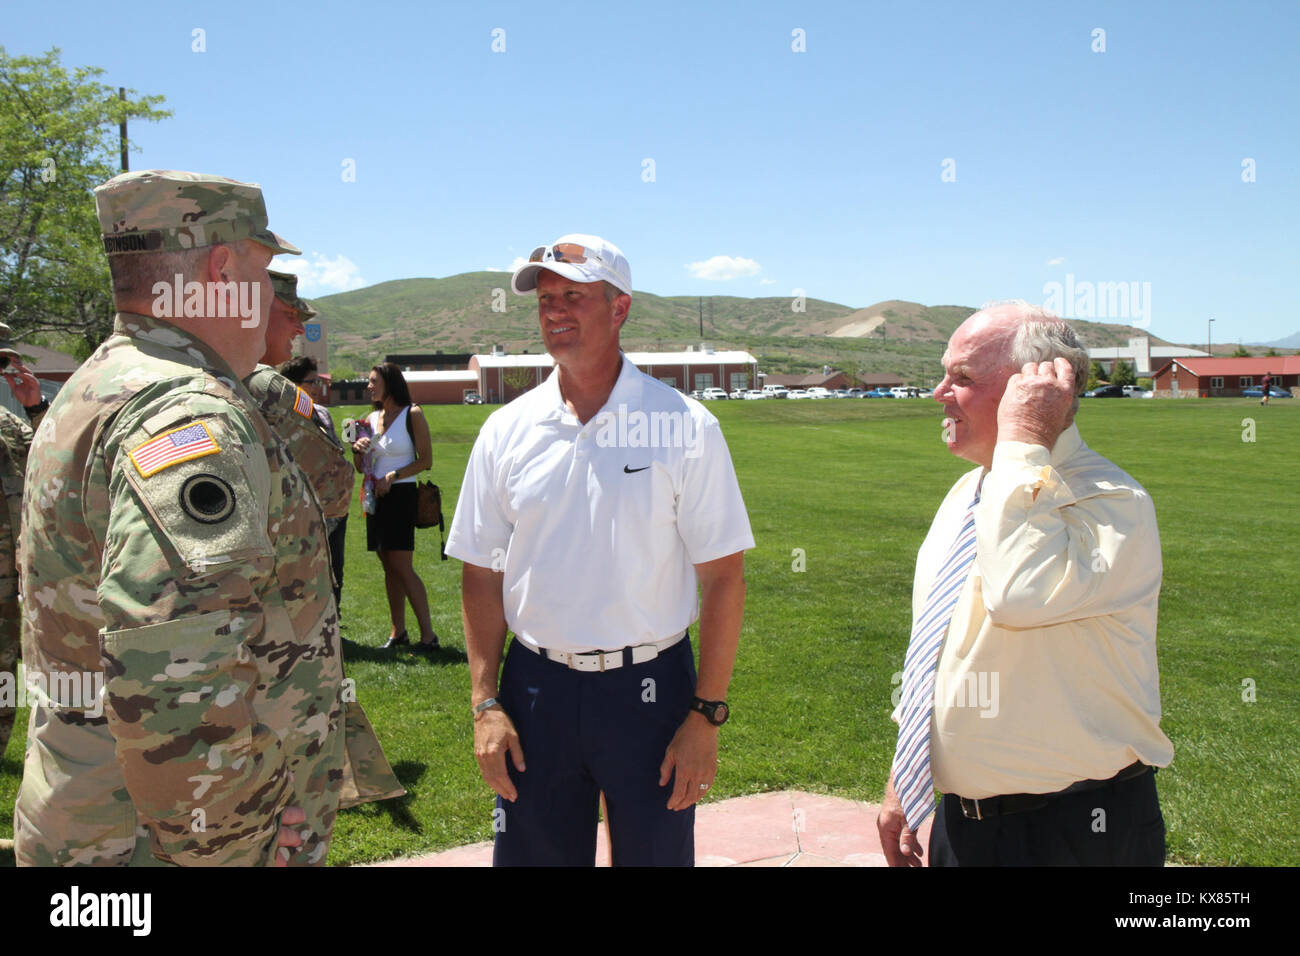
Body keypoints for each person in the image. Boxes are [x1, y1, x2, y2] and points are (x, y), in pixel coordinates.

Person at [14, 169, 402, 867]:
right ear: (223, 267)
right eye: (263, 268)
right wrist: (237, 840)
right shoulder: (188, 412)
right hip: (169, 844)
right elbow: (175, 669)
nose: (269, 296)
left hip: (92, 819)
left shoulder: (96, 383)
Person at [446, 234, 754, 866]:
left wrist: (705, 716)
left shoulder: (684, 425)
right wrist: (485, 701)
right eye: (545, 298)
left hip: (652, 691)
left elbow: (723, 577)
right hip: (535, 691)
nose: (555, 311)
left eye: (574, 296)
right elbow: (480, 573)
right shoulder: (507, 430)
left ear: (619, 309)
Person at [876, 301, 1174, 867]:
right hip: (966, 824)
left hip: (1076, 831)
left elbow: (1020, 594)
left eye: (961, 377)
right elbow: (939, 652)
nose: (939, 393)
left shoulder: (1112, 504)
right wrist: (905, 777)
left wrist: (1023, 442)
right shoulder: (970, 493)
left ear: (1033, 391)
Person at [245, 272, 354, 611]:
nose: (299, 329)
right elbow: (332, 479)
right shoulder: (268, 387)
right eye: (290, 315)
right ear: (255, 311)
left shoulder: (254, 380)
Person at [350, 362, 438, 651]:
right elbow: (363, 466)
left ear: (389, 382)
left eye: (373, 381)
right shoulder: (371, 417)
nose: (368, 386)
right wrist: (357, 451)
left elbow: (426, 460)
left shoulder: (412, 414)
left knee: (402, 566)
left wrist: (394, 475)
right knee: (388, 566)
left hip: (401, 495)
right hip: (375, 496)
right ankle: (398, 632)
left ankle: (429, 636)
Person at [0, 328, 48, 760]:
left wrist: (35, 405)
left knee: (3, 682)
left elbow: (50, 458)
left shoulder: (7, 425)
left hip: (5, 586)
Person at [280, 354, 352, 612]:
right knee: (303, 570)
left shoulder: (321, 413)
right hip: (301, 508)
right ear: (293, 385)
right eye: (311, 381)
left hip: (334, 507)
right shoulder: (280, 419)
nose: (316, 387)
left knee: (335, 569)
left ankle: (333, 624)